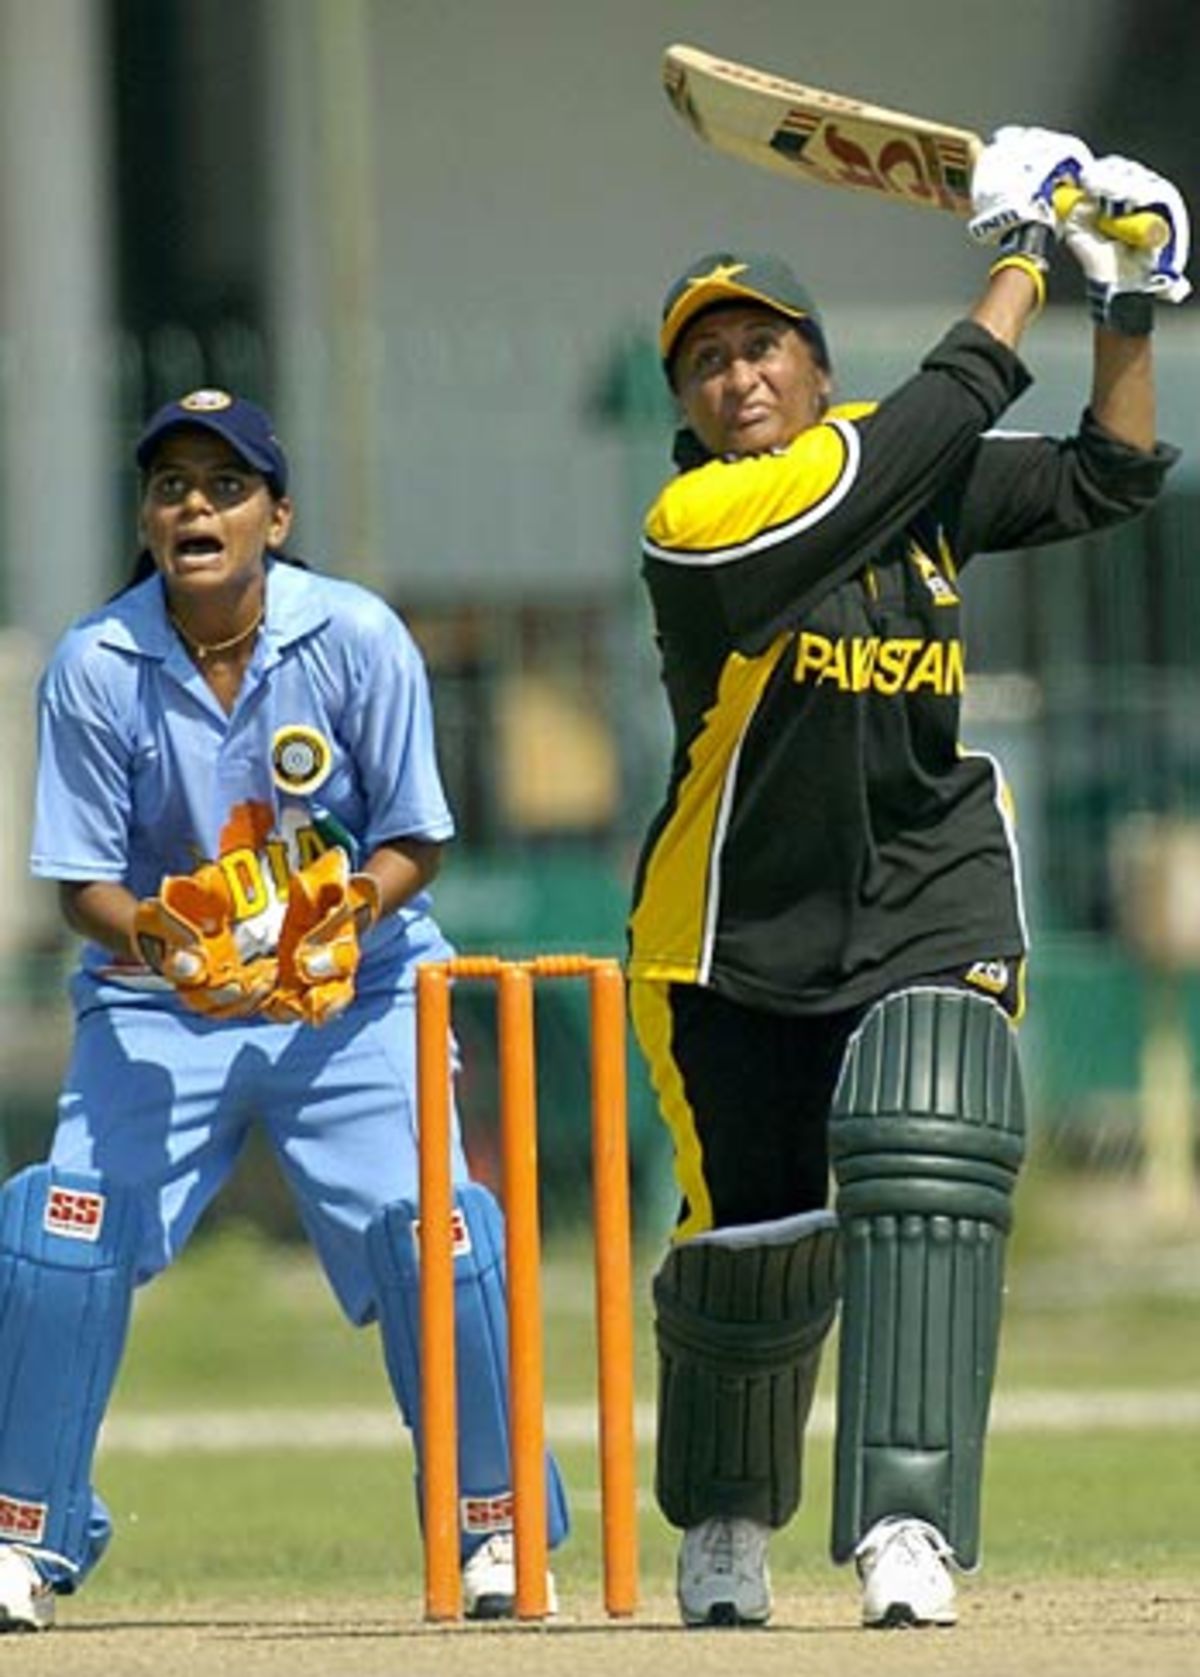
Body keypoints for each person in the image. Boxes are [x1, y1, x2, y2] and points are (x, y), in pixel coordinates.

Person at [627, 128, 1188, 1629]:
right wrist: (1019, 259)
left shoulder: (909, 467)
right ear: (683, 407)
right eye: (706, 364)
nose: (739, 378)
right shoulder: (699, 524)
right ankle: (728, 1515)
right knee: (754, 1246)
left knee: (929, 1154)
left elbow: (1109, 475)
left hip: (930, 888)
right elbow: (908, 442)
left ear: (818, 368)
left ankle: (906, 1525)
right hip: (736, 930)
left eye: (765, 348)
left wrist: (1127, 295)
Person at [0, 389, 567, 1632]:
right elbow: (81, 887)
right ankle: (22, 1533)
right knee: (60, 1231)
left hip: (354, 997)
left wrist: (338, 916)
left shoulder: (356, 635)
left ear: (278, 516)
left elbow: (417, 836)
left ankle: (493, 1521)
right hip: (159, 1009)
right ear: (147, 522)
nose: (195, 507)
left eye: (226, 486)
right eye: (171, 488)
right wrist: (165, 939)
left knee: (441, 1234)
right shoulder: (97, 662)